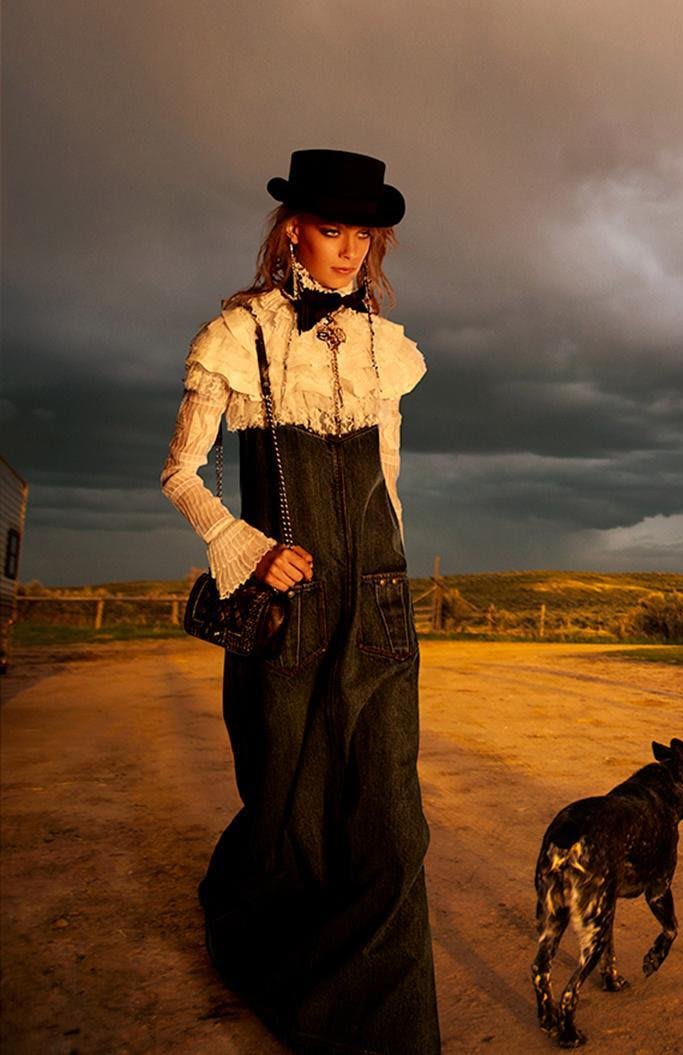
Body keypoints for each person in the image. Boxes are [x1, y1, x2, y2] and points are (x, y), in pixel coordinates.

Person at [160, 149, 439, 1053]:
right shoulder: (239, 337)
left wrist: (395, 583)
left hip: (381, 603)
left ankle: (394, 1034)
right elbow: (180, 473)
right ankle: (283, 958)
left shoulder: (385, 349)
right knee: (290, 801)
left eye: (365, 233)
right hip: (289, 602)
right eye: (333, 229)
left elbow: (388, 477)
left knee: (392, 817)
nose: (351, 249)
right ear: (292, 229)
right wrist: (244, 548)